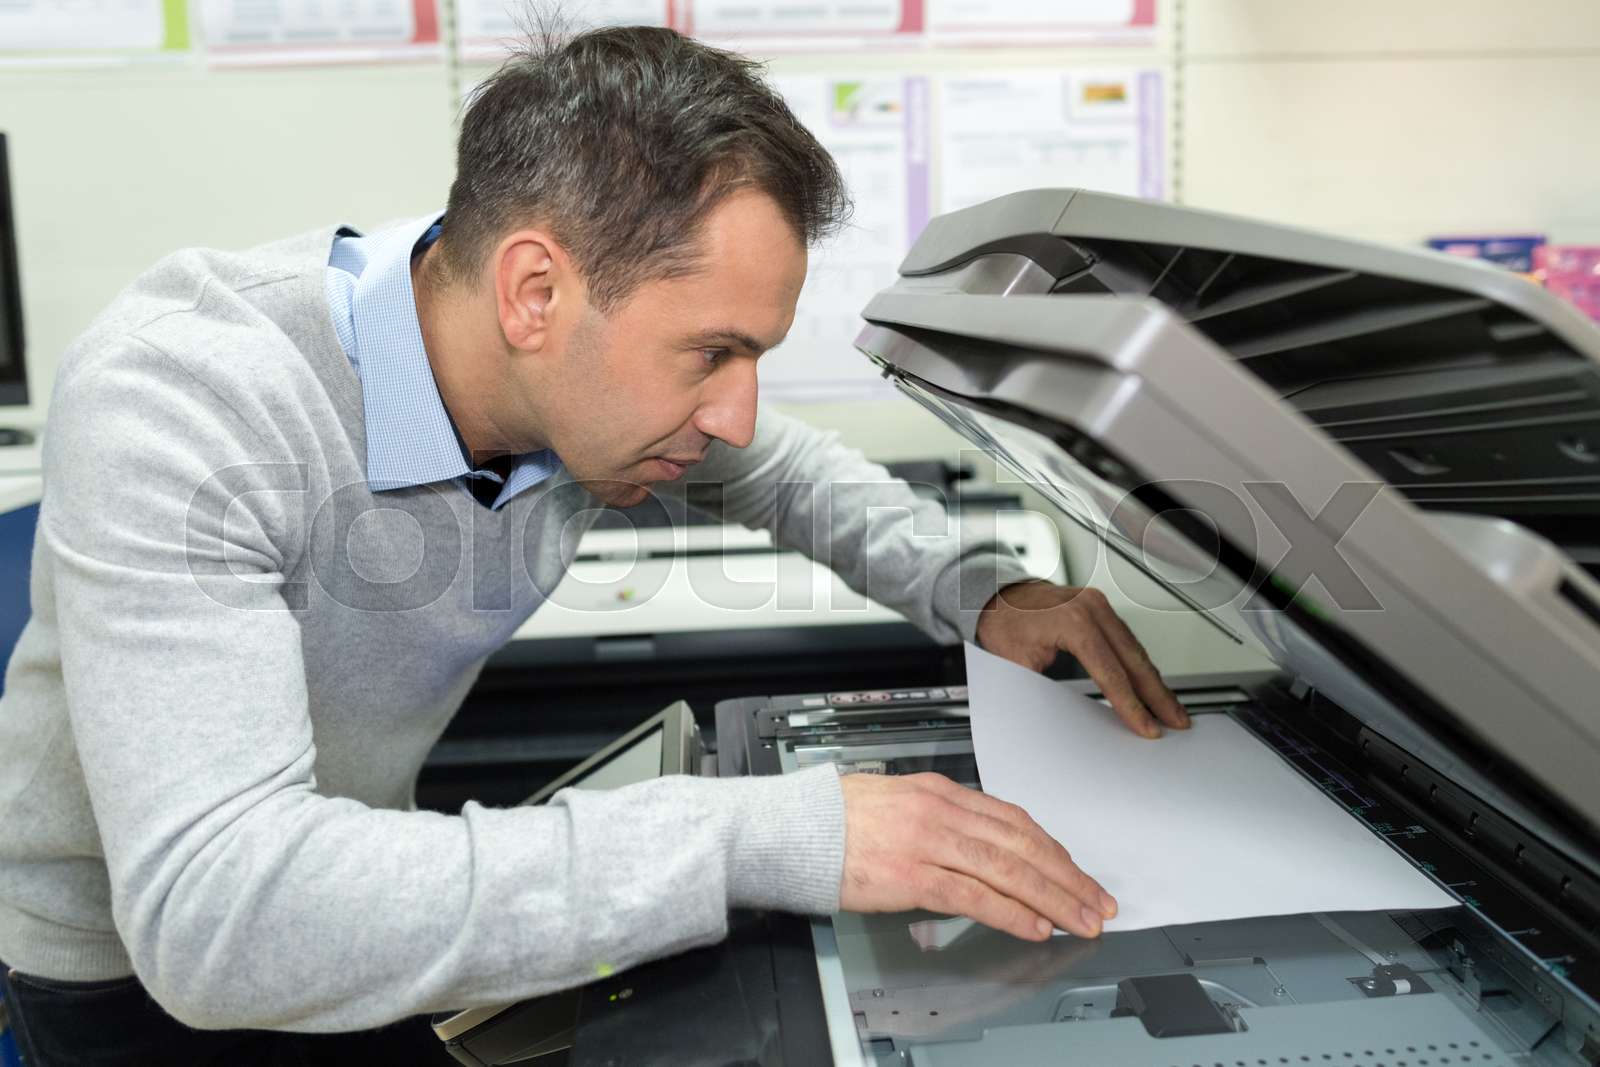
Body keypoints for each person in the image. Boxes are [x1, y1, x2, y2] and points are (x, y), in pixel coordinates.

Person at [0, 22, 1191, 1065]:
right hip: (131, 971)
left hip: (353, 876)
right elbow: (221, 921)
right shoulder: (192, 394)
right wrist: (770, 835)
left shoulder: (570, 383)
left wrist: (983, 592)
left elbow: (786, 471)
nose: (733, 410)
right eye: (713, 352)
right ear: (533, 293)